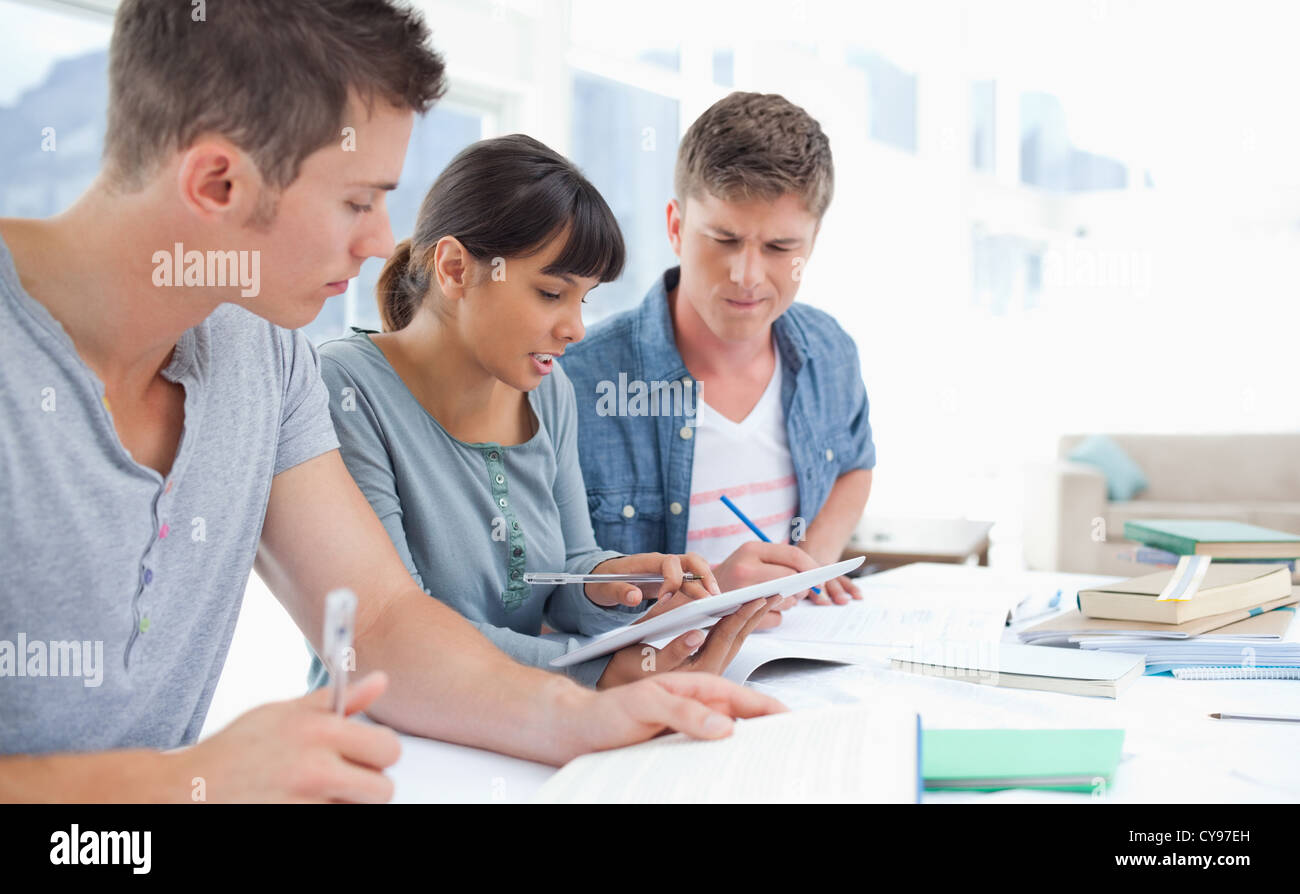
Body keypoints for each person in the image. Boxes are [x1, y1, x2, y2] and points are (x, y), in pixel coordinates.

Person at [0, 0, 781, 803]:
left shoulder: (263, 359)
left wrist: (577, 713)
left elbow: (379, 625)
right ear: (217, 182)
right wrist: (186, 781)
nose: (382, 241)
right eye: (356, 201)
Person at [310, 134, 778, 691]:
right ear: (456, 269)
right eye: (552, 293)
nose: (575, 328)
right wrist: (592, 670)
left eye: (584, 300)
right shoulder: (348, 387)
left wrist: (615, 580)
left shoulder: (548, 394)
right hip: (394, 734)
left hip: (525, 726)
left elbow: (568, 568)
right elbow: (398, 626)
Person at [564, 91, 876, 611]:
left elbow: (854, 465)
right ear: (675, 227)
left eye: (780, 248)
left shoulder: (831, 352)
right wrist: (707, 599)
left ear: (812, 242)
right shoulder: (574, 382)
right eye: (723, 239)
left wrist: (813, 563)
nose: (747, 276)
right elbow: (542, 592)